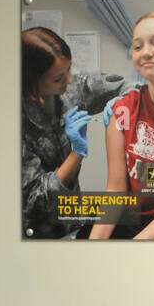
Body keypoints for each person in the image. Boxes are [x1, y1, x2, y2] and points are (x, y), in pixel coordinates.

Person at [21, 27, 125, 239]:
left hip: (73, 220)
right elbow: (35, 200)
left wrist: (126, 98)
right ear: (32, 80)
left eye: (69, 70)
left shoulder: (74, 88)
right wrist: (76, 153)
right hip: (38, 233)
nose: (68, 81)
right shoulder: (14, 121)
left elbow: (126, 86)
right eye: (58, 78)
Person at [90, 9, 154, 240]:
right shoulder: (122, 110)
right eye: (138, 46)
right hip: (129, 221)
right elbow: (116, 190)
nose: (146, 53)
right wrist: (94, 245)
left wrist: (135, 251)